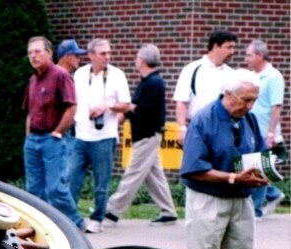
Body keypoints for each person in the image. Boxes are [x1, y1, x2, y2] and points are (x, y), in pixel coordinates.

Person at [180, 69, 268, 249]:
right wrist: (232, 177)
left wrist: (264, 170)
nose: (250, 106)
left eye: (254, 100)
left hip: (241, 200)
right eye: (245, 99)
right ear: (228, 94)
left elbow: (259, 151)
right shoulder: (203, 120)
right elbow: (194, 169)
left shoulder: (248, 119)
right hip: (208, 200)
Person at [105, 44, 178, 225]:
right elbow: (135, 107)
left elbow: (146, 110)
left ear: (143, 60)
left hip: (148, 135)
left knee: (133, 173)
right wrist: (123, 114)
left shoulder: (154, 82)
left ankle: (112, 211)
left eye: (137, 57)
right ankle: (169, 212)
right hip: (144, 135)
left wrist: (122, 106)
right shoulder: (147, 82)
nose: (135, 60)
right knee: (154, 176)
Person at [68, 39, 131, 233]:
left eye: (109, 53)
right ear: (91, 55)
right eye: (103, 53)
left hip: (104, 136)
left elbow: (126, 104)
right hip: (80, 135)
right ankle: (69, 218)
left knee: (101, 183)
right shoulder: (79, 74)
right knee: (71, 178)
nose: (107, 57)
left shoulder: (117, 75)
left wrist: (107, 106)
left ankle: (97, 219)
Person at [21, 36, 85, 229]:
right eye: (30, 52)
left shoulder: (60, 76)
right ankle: (39, 227)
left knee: (56, 188)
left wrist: (58, 132)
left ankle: (77, 224)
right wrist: (28, 136)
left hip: (53, 140)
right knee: (33, 189)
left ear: (49, 53)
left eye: (38, 51)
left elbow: (71, 108)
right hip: (34, 141)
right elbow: (30, 111)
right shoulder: (33, 80)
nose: (33, 56)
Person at [173, 30, 237, 146]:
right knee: (196, 163)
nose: (232, 52)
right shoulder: (191, 69)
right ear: (216, 46)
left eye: (233, 48)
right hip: (197, 128)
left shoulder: (232, 74)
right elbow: (181, 101)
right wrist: (181, 128)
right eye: (228, 47)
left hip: (223, 129)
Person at [244, 39, 285, 217]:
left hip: (264, 131)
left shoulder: (273, 76)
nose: (246, 59)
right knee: (251, 166)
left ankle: (256, 210)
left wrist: (270, 133)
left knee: (258, 168)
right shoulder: (253, 76)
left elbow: (276, 106)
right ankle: (273, 194)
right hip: (252, 129)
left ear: (260, 55)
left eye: (249, 55)